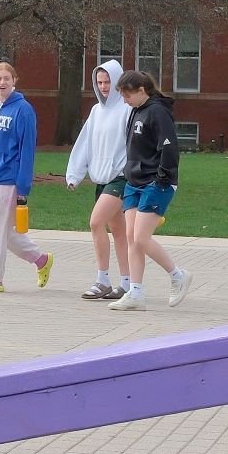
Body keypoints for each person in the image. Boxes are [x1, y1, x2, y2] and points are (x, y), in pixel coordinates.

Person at [108, 68, 189, 311]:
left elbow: (169, 147)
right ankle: (136, 293)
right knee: (133, 239)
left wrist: (163, 177)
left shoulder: (158, 111)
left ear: (141, 91)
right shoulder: (136, 111)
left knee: (141, 238)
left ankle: (177, 275)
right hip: (134, 182)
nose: (124, 100)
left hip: (156, 182)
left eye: (127, 95)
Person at [0, 60, 51, 294]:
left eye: (7, 78)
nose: (2, 82)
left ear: (14, 81)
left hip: (10, 177)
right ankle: (41, 260)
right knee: (5, 231)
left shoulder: (23, 110)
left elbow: (27, 149)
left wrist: (23, 185)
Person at [64, 59, 132, 300]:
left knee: (95, 223)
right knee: (118, 231)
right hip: (102, 179)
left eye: (108, 82)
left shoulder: (128, 109)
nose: (104, 86)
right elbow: (84, 143)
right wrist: (74, 173)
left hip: (121, 178)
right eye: (100, 82)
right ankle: (127, 283)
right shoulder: (96, 111)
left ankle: (102, 279)